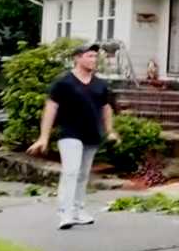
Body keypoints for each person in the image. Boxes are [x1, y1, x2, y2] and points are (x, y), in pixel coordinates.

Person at [28, 43, 119, 230]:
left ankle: (78, 210)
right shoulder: (63, 82)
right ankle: (65, 213)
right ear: (77, 58)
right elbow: (51, 108)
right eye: (89, 56)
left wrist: (110, 130)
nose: (93, 60)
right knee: (71, 171)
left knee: (83, 174)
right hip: (69, 133)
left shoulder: (101, 85)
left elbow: (106, 108)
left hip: (92, 134)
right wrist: (43, 137)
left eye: (95, 56)